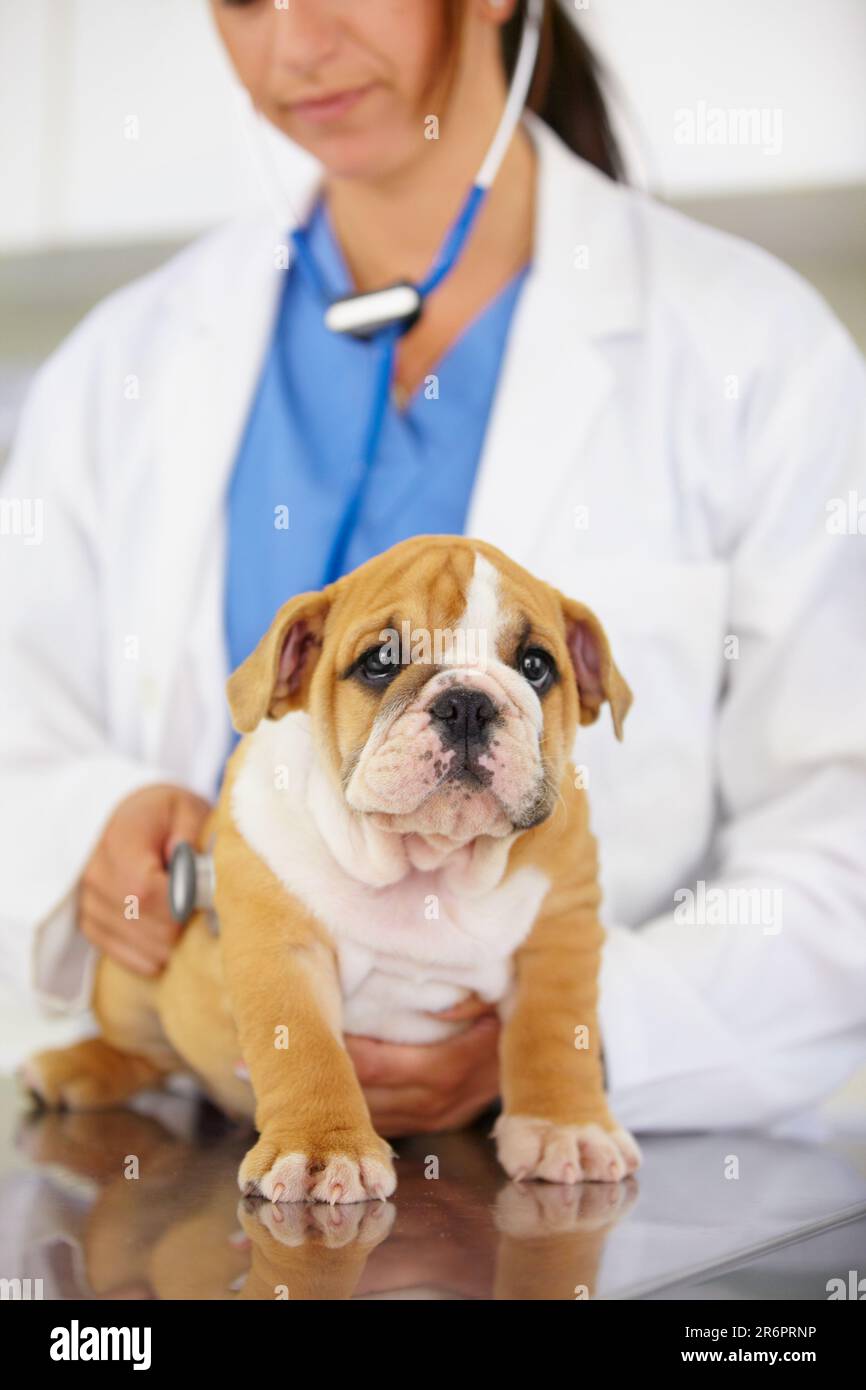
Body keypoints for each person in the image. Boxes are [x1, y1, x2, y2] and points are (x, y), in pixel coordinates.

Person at [1, 0, 864, 1138]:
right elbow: (19, 722)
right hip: (191, 1152)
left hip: (598, 1190)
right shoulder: (126, 360)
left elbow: (841, 821)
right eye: (246, 0)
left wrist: (568, 1038)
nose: (293, 46)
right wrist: (95, 830)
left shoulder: (752, 350)